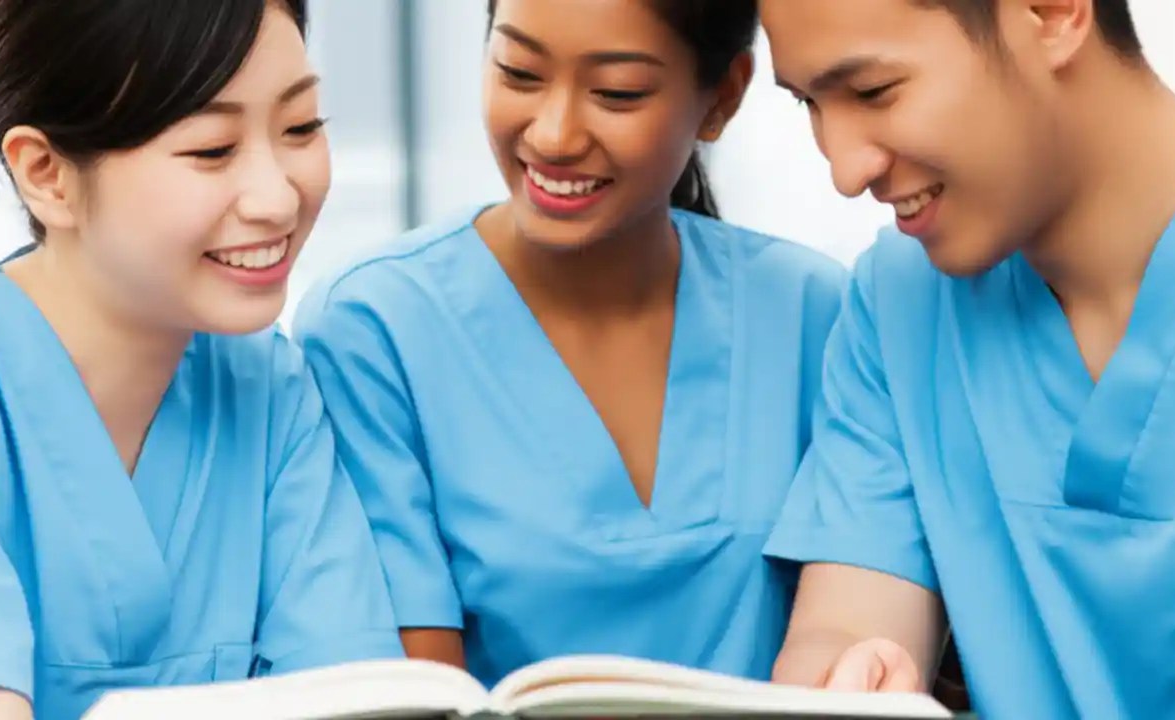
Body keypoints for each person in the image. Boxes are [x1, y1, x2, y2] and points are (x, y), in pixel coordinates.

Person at [293, 0, 845, 688]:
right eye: (520, 73)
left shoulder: (816, 315)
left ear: (723, 96)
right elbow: (417, 692)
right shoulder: (373, 330)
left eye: (617, 93)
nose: (553, 134)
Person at [0, 2, 404, 718]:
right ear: (48, 173)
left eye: (300, 128)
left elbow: (353, 697)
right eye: (212, 149)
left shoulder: (271, 390)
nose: (277, 200)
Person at [756, 0, 1175, 717]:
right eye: (810, 101)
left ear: (1053, 13)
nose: (845, 169)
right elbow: (846, 628)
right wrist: (846, 681)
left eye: (874, 91)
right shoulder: (900, 301)